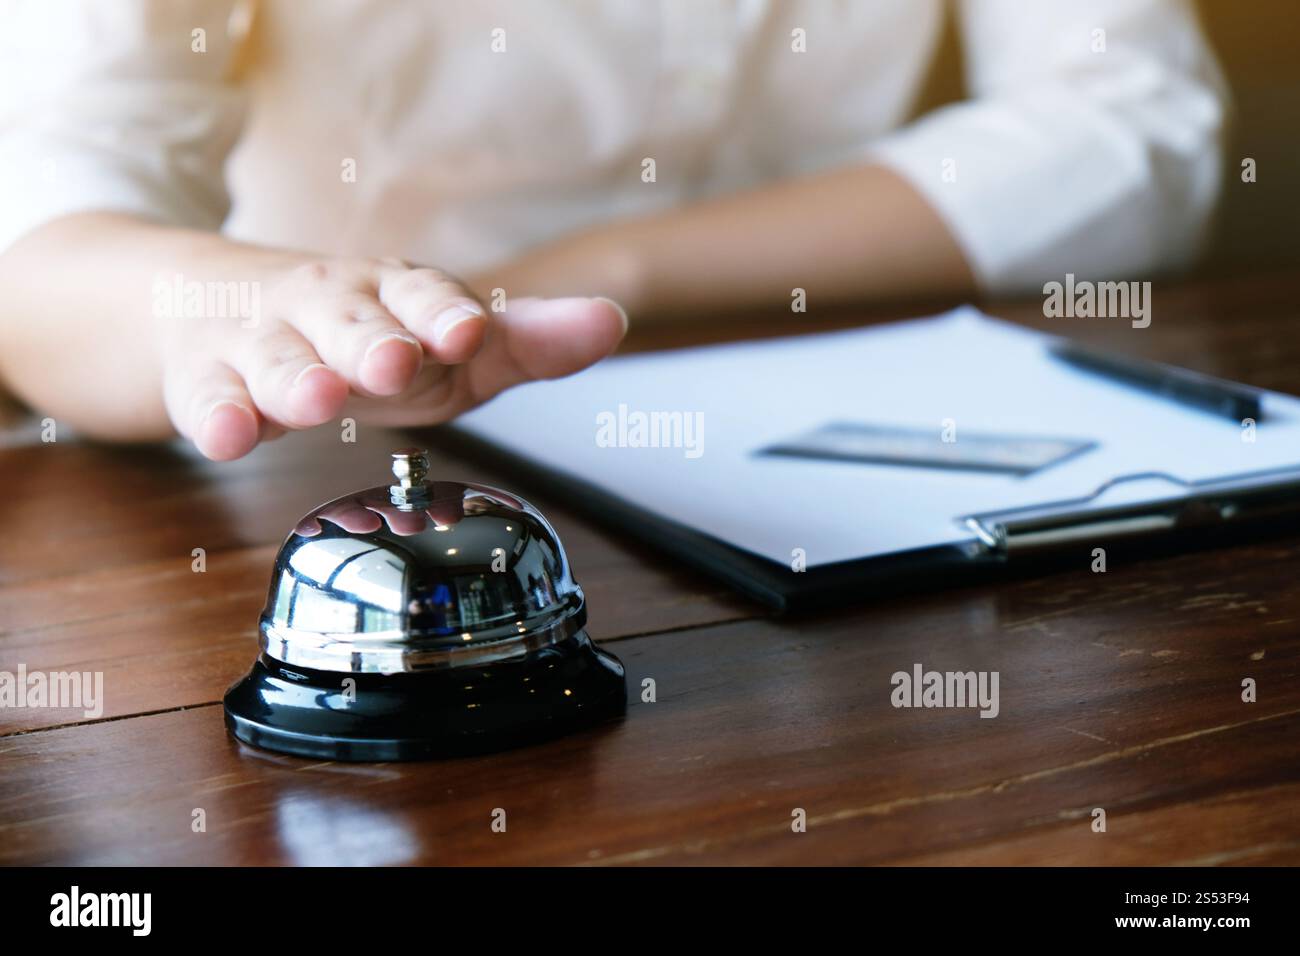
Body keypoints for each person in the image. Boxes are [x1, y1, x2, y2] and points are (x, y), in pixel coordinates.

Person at [0, 0, 1226, 461]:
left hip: (801, 390)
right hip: (331, 439)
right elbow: (41, 230)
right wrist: (244, 309)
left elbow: (1137, 125)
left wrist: (598, 271)